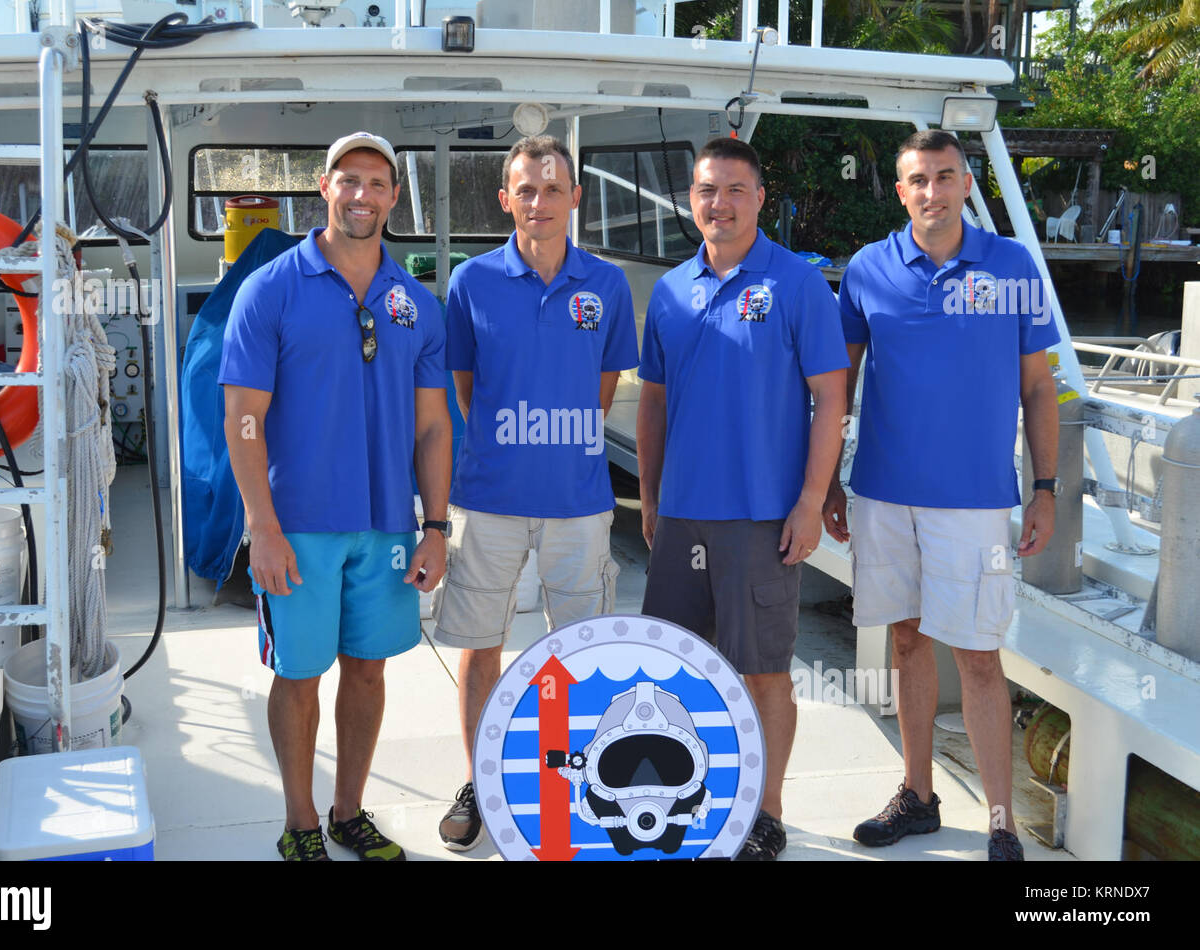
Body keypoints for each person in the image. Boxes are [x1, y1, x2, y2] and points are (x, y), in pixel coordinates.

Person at [823, 128, 1060, 862]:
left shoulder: (1012, 265)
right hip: (885, 495)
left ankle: (1000, 820)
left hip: (976, 500)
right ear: (901, 190)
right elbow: (840, 386)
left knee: (981, 657)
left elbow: (1038, 387)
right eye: (918, 179)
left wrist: (1045, 488)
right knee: (905, 639)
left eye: (946, 176)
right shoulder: (866, 270)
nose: (932, 190)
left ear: (965, 184)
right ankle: (917, 795)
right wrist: (825, 479)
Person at [220, 131, 452, 861]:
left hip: (385, 526)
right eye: (348, 180)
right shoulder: (273, 289)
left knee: (368, 667)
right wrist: (262, 526)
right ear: (323, 187)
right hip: (298, 528)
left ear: (393, 196)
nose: (362, 194)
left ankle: (349, 812)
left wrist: (437, 526)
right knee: (297, 673)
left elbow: (433, 426)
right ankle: (299, 824)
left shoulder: (414, 302)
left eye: (377, 182)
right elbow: (243, 417)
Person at [637, 136, 849, 860]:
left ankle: (767, 810)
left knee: (762, 674)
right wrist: (648, 494)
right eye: (705, 190)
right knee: (676, 671)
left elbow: (831, 399)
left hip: (762, 518)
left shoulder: (797, 285)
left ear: (760, 197)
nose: (718, 203)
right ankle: (693, 797)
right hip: (683, 513)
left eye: (734, 189)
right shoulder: (669, 290)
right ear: (690, 200)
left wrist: (811, 500)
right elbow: (654, 403)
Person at [432, 135, 639, 851]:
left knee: (574, 652)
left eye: (554, 190)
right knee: (481, 646)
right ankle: (481, 784)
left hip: (579, 503)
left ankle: (564, 786)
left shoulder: (607, 285)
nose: (540, 203)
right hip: (488, 498)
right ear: (505, 199)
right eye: (526, 190)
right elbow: (467, 390)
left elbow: (602, 391)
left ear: (576, 197)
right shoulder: (471, 283)